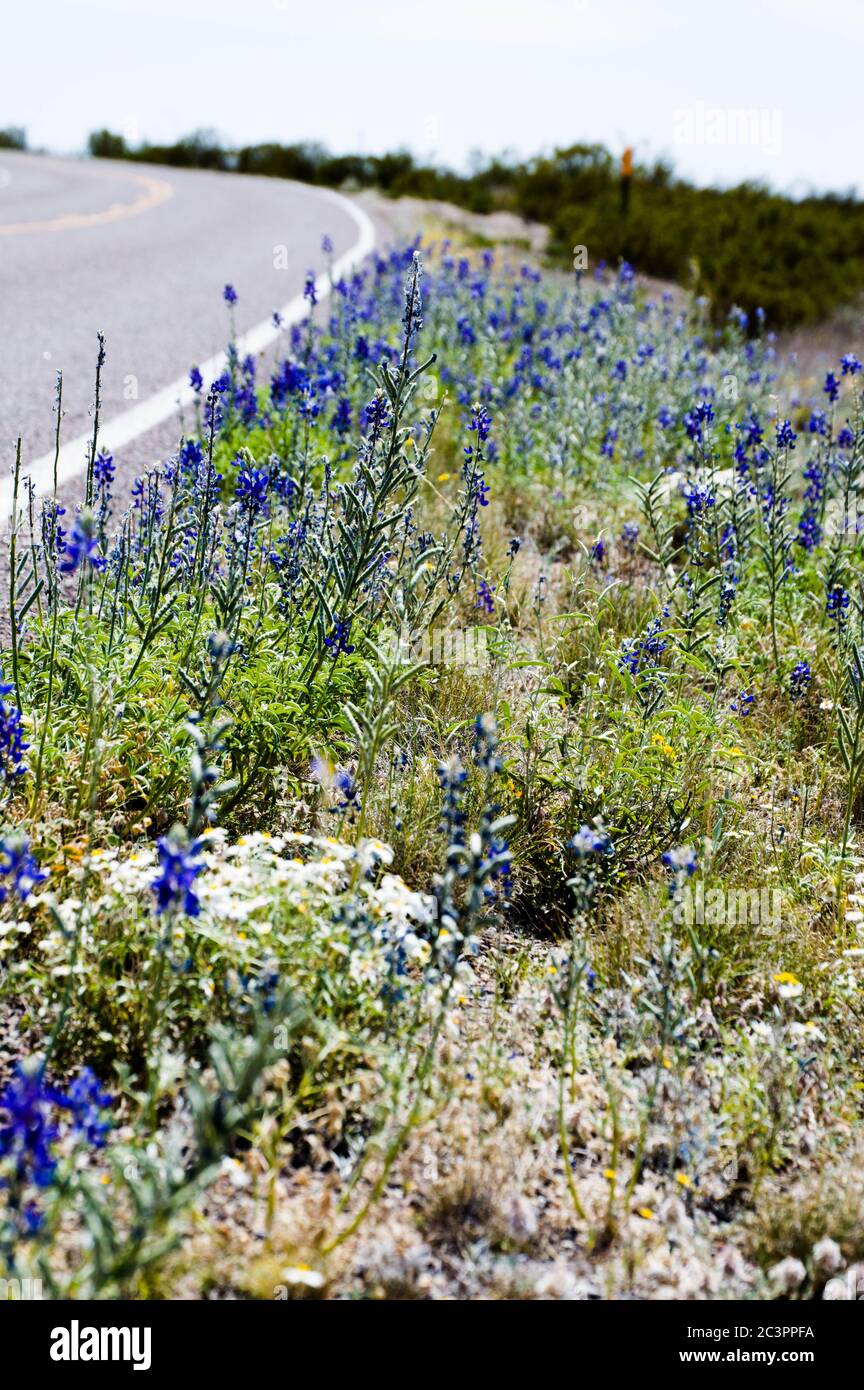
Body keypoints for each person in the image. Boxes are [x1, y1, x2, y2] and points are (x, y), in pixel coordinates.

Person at [620, 145, 633, 216]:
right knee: (624, 195)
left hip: (626, 178)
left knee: (625, 195)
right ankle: (624, 210)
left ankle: (624, 211)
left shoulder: (628, 157)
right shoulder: (627, 156)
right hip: (625, 177)